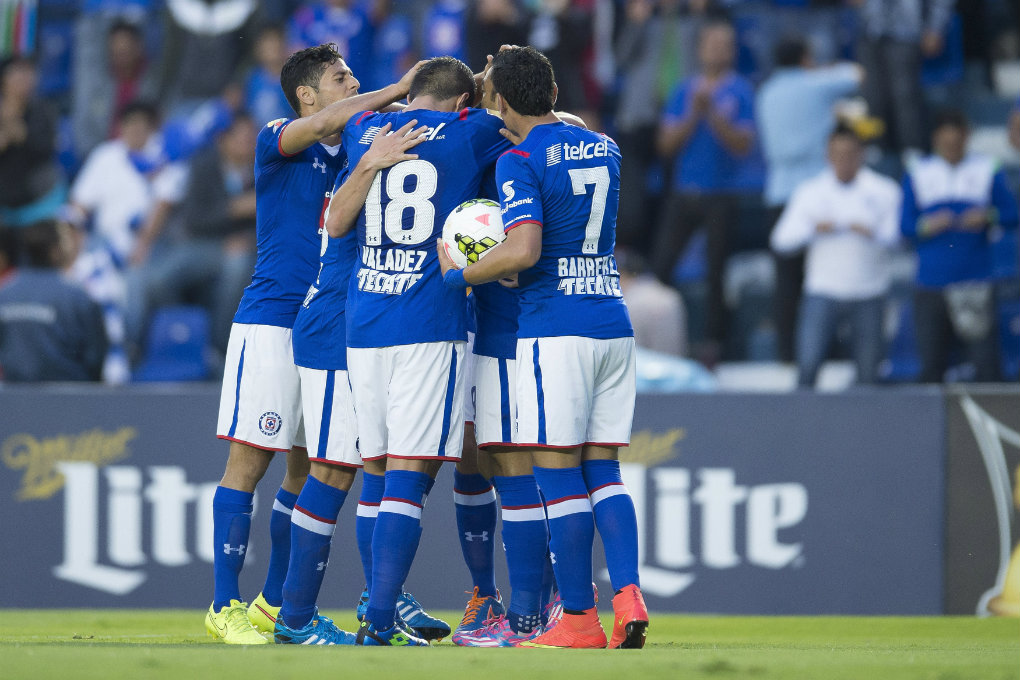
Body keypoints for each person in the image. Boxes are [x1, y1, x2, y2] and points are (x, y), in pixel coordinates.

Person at [205, 43, 422, 645]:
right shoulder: (279, 136)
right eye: (340, 76)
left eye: (353, 73)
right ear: (307, 94)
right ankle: (223, 605)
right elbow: (330, 122)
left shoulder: (354, 149)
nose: (352, 82)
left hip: (324, 329)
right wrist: (398, 85)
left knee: (307, 472)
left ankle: (275, 606)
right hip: (271, 319)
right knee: (250, 462)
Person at [438, 45, 647, 650]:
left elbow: (524, 250)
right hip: (612, 320)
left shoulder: (520, 158)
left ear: (500, 101)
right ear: (554, 94)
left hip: (555, 328)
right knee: (603, 470)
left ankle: (578, 620)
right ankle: (629, 594)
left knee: (555, 474)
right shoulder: (605, 146)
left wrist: (462, 271)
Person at [323, 55, 513, 646]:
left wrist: (394, 98)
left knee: (376, 469)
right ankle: (381, 616)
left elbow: (335, 220)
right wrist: (487, 88)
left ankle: (379, 605)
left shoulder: (366, 130)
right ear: (462, 101)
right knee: (410, 470)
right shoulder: (473, 130)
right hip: (429, 321)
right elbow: (529, 118)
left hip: (365, 320)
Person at [654, 20, 755, 366]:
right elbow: (666, 145)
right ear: (700, 48)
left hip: (721, 195)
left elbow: (743, 144)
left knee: (716, 274)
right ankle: (653, 339)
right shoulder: (684, 90)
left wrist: (712, 113)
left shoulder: (741, 90)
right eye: (711, 43)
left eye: (724, 44)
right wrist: (694, 114)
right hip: (685, 191)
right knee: (661, 265)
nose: (717, 49)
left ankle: (715, 346)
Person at [756, 37, 863, 363]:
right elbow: (858, 74)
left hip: (778, 191)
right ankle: (824, 353)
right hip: (817, 193)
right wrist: (820, 70)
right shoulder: (816, 84)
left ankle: (788, 353)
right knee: (822, 278)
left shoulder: (766, 92)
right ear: (805, 58)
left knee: (786, 282)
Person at [770, 125, 902, 387]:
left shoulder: (884, 190)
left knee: (868, 374)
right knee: (807, 366)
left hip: (869, 292)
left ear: (862, 154)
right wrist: (812, 228)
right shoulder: (810, 192)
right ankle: (800, 425)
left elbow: (898, 238)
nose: (843, 161)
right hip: (823, 291)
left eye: (849, 154)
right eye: (836, 154)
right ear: (827, 156)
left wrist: (871, 232)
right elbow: (780, 240)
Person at [900, 110, 1019, 383]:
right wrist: (927, 225)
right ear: (936, 140)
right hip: (931, 281)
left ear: (967, 137)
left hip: (974, 281)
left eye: (957, 144)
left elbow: (1011, 215)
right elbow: (905, 226)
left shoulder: (988, 167)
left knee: (986, 364)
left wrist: (987, 216)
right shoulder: (918, 172)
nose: (952, 150)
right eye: (946, 144)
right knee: (931, 365)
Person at [131, 114, 259, 356]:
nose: (249, 142)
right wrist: (234, 208)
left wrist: (248, 240)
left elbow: (278, 218)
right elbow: (196, 219)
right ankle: (182, 338)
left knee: (237, 267)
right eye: (242, 137)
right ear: (223, 140)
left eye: (252, 136)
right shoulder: (204, 165)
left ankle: (219, 348)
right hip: (200, 244)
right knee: (156, 280)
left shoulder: (266, 169)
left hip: (245, 249)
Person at [0, 220, 107, 382]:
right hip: (71, 400)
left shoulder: (4, 294)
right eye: (66, 241)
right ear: (55, 251)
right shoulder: (77, 296)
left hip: (14, 399)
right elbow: (96, 356)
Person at [854, 0, 953, 163]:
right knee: (872, 94)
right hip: (869, 30)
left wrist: (935, 28)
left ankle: (911, 146)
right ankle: (875, 144)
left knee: (905, 94)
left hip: (907, 32)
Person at [0, 57, 64, 228]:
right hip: (4, 205)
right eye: (17, 75)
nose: (24, 80)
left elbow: (47, 149)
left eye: (28, 74)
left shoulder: (44, 110)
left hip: (40, 201)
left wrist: (21, 133)